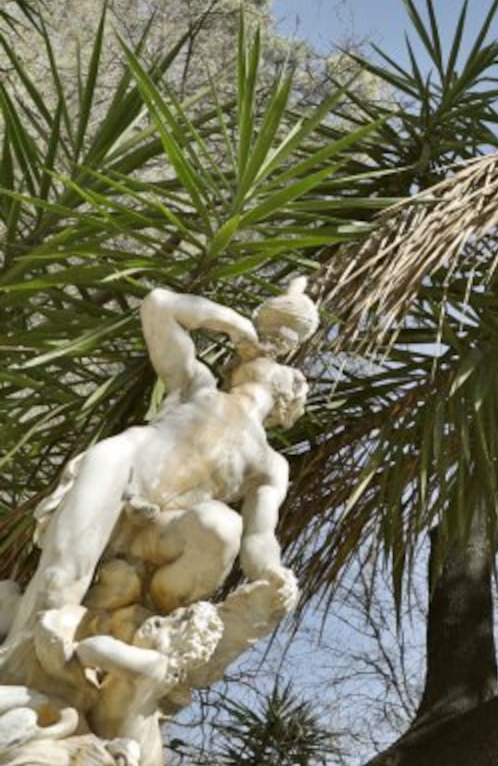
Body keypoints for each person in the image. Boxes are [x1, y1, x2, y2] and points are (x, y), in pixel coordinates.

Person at [0, 280, 315, 683]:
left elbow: (258, 537)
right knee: (59, 586)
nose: (271, 364)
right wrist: (236, 325)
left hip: (163, 536)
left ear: (289, 403)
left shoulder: (270, 464)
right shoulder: (195, 386)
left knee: (223, 526)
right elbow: (160, 305)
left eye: (284, 370)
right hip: (123, 474)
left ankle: (137, 621)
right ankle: (23, 658)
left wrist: (273, 572)